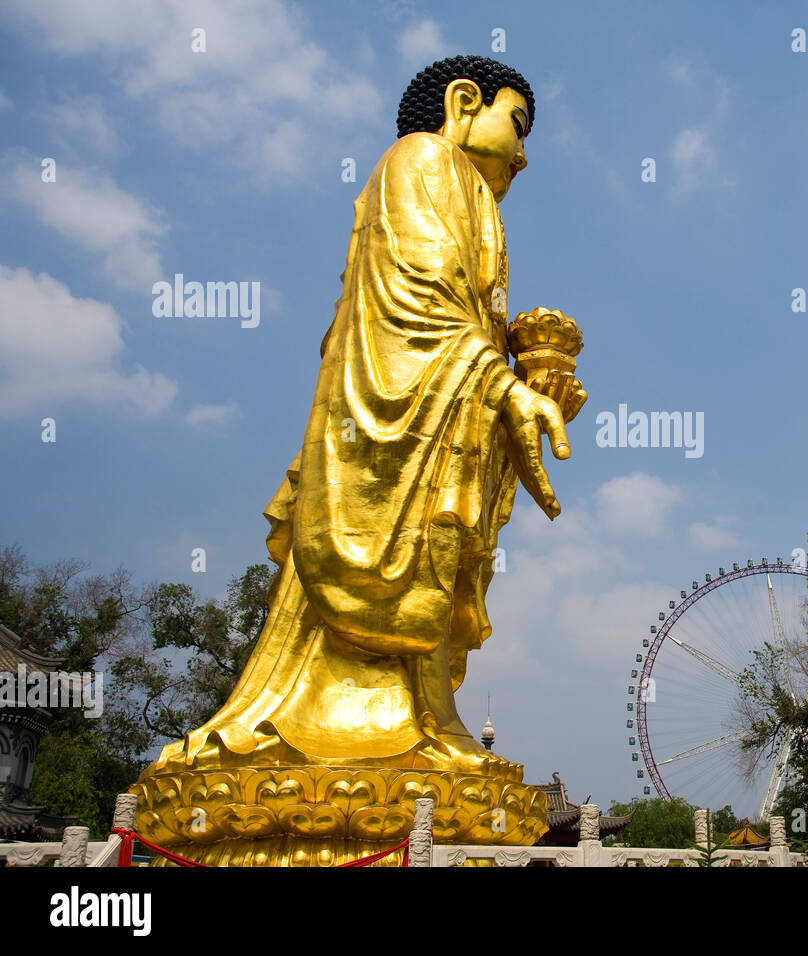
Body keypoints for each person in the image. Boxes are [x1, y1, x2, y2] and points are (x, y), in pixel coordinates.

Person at [140, 56, 581, 783]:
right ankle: (340, 729)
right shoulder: (422, 157)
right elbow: (416, 313)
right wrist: (500, 385)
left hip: (432, 419)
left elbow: (454, 324)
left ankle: (416, 722)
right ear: (463, 103)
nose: (525, 156)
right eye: (520, 125)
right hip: (382, 427)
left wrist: (524, 384)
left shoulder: (472, 198)